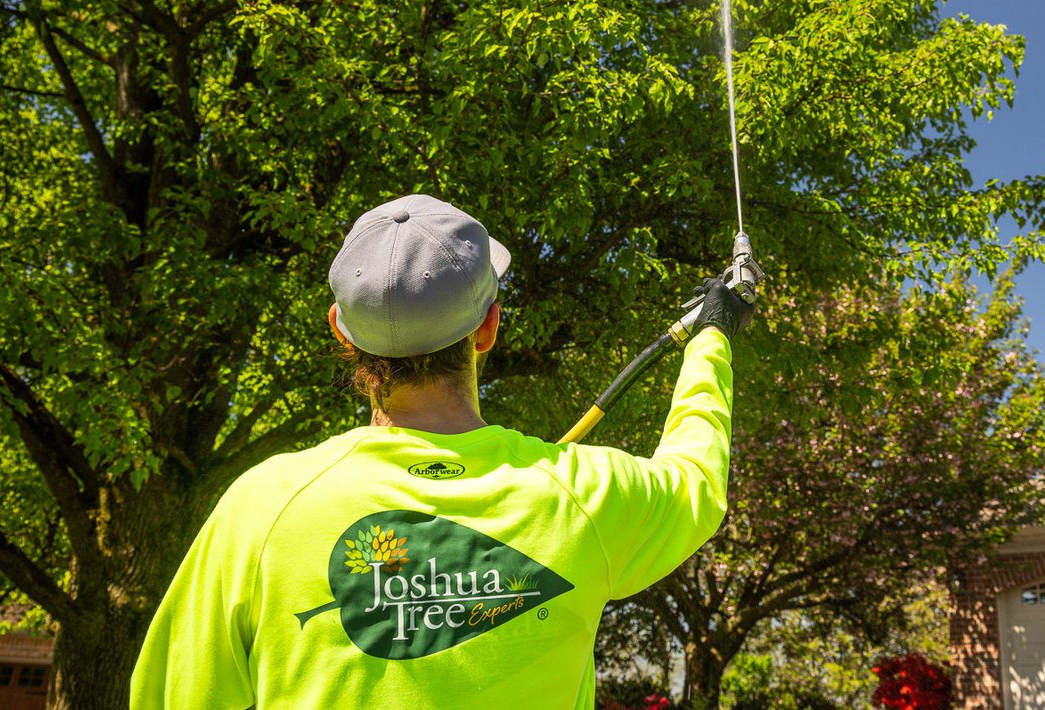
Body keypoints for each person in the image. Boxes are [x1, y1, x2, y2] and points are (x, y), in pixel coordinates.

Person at [130, 193, 752, 707]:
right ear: (489, 327)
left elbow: (172, 696)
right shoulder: (583, 496)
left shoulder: (261, 509)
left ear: (341, 332)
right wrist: (713, 337)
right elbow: (694, 478)